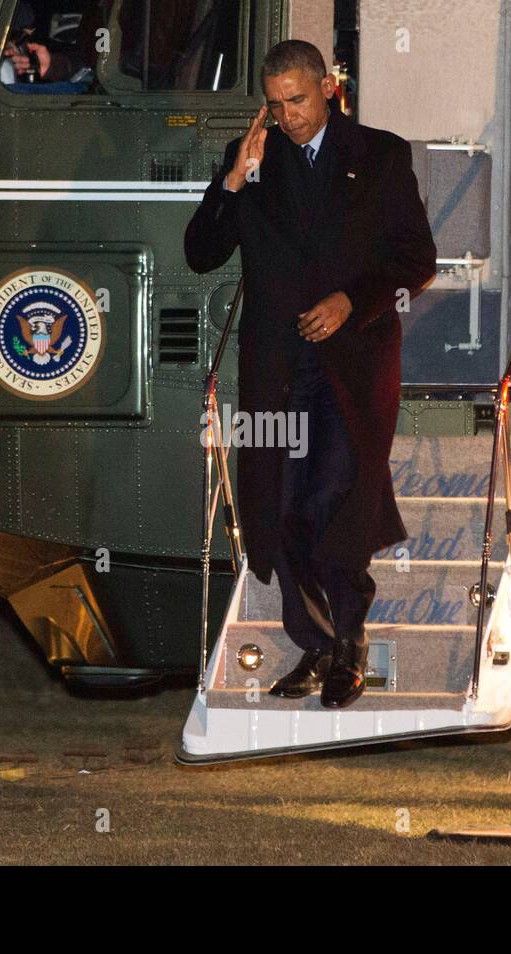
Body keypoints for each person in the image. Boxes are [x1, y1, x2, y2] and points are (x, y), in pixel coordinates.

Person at [184, 40, 436, 709]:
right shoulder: (257, 163)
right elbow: (201, 251)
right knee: (281, 507)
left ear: (328, 87)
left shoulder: (379, 154)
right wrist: (234, 177)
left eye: (298, 99)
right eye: (276, 104)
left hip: (352, 365)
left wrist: (353, 299)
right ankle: (316, 644)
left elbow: (415, 256)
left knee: (334, 496)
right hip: (275, 368)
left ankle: (347, 639)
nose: (289, 115)